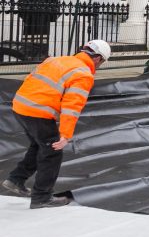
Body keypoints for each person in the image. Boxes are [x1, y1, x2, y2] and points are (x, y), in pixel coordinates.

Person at [2, 40, 111, 208]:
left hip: (20, 106)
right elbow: (71, 107)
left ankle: (16, 179)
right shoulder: (83, 74)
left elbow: (32, 80)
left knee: (39, 145)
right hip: (38, 112)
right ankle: (42, 197)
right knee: (52, 152)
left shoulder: (56, 59)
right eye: (102, 62)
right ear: (97, 59)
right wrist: (65, 135)